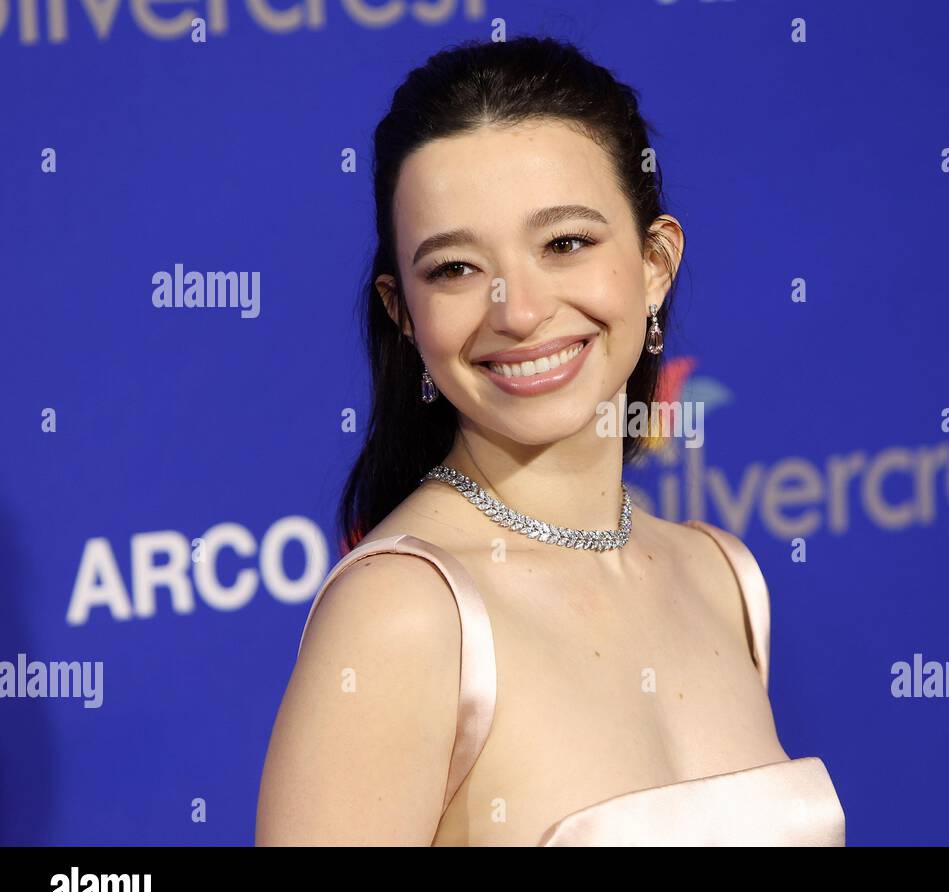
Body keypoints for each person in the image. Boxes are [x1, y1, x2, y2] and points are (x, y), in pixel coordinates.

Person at [255, 35, 844, 846]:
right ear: (402, 311)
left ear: (655, 262)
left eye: (565, 243)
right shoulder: (403, 614)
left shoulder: (722, 576)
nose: (519, 310)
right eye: (455, 268)